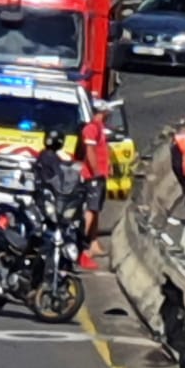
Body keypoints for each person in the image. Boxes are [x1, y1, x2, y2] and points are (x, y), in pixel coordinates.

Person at [77, 101, 113, 268]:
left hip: (100, 175)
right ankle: (83, 247)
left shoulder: (99, 127)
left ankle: (93, 243)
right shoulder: (91, 128)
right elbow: (90, 151)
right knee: (91, 210)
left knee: (96, 209)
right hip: (93, 177)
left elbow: (103, 149)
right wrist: (97, 171)